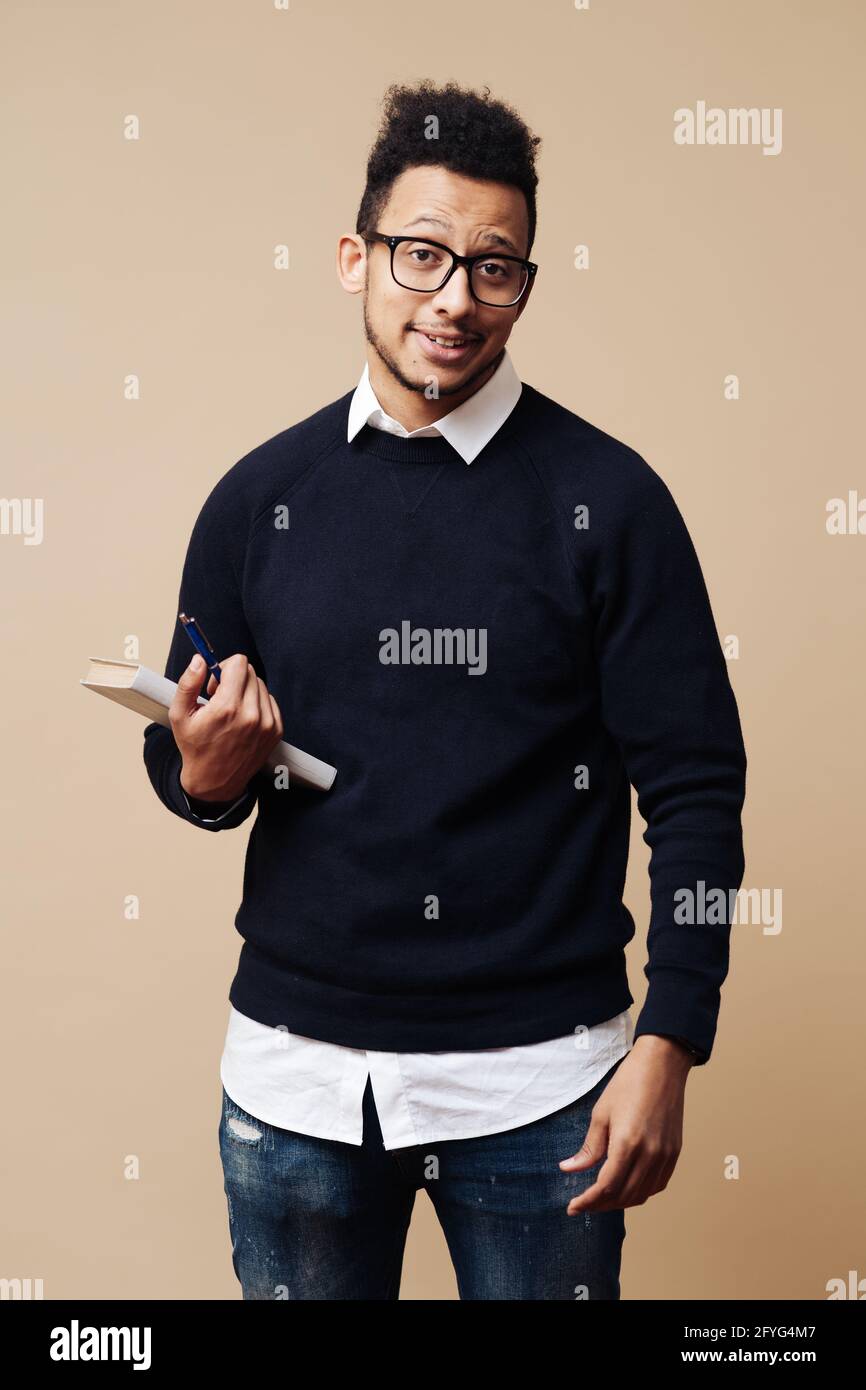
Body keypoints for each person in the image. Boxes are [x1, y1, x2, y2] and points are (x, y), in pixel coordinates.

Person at [143, 80, 747, 1301]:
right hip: (296, 1085)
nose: (453, 300)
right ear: (352, 257)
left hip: (543, 1089)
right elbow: (189, 767)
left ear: (526, 280)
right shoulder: (256, 497)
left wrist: (670, 1040)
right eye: (419, 255)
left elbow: (693, 788)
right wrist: (203, 776)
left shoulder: (610, 503)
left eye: (494, 267)